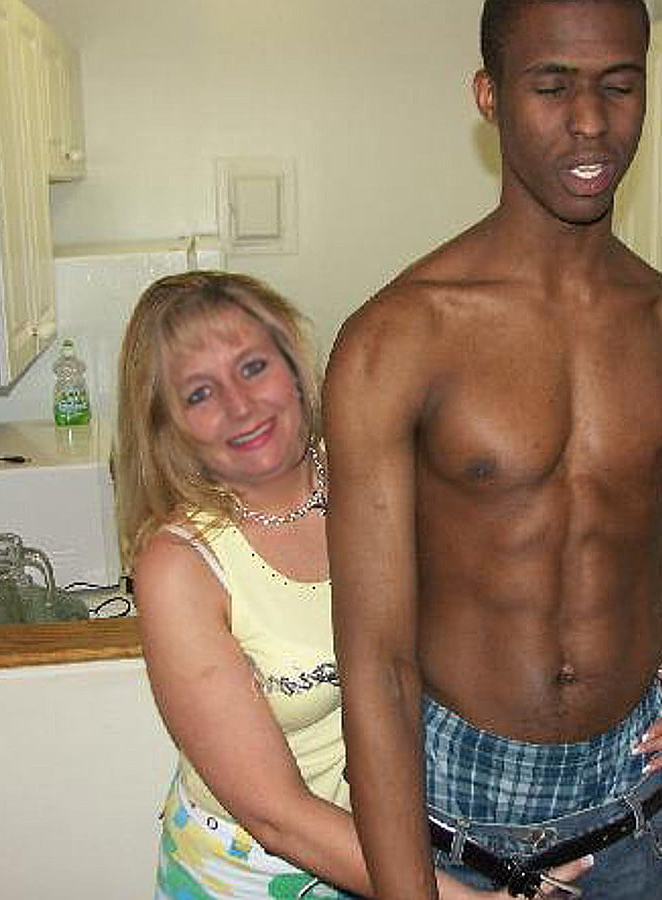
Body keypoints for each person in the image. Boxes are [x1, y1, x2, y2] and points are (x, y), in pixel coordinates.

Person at [323, 1, 662, 899]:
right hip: (458, 835)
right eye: (552, 86)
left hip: (641, 814)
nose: (591, 121)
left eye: (620, 86)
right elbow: (377, 663)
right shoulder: (398, 340)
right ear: (490, 96)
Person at [116, 271, 618, 900]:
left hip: (407, 844)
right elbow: (277, 816)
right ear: (167, 425)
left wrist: (649, 679)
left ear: (293, 363)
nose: (240, 406)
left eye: (252, 367)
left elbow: (532, 583)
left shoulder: (383, 474)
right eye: (199, 393)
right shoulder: (181, 566)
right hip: (250, 874)